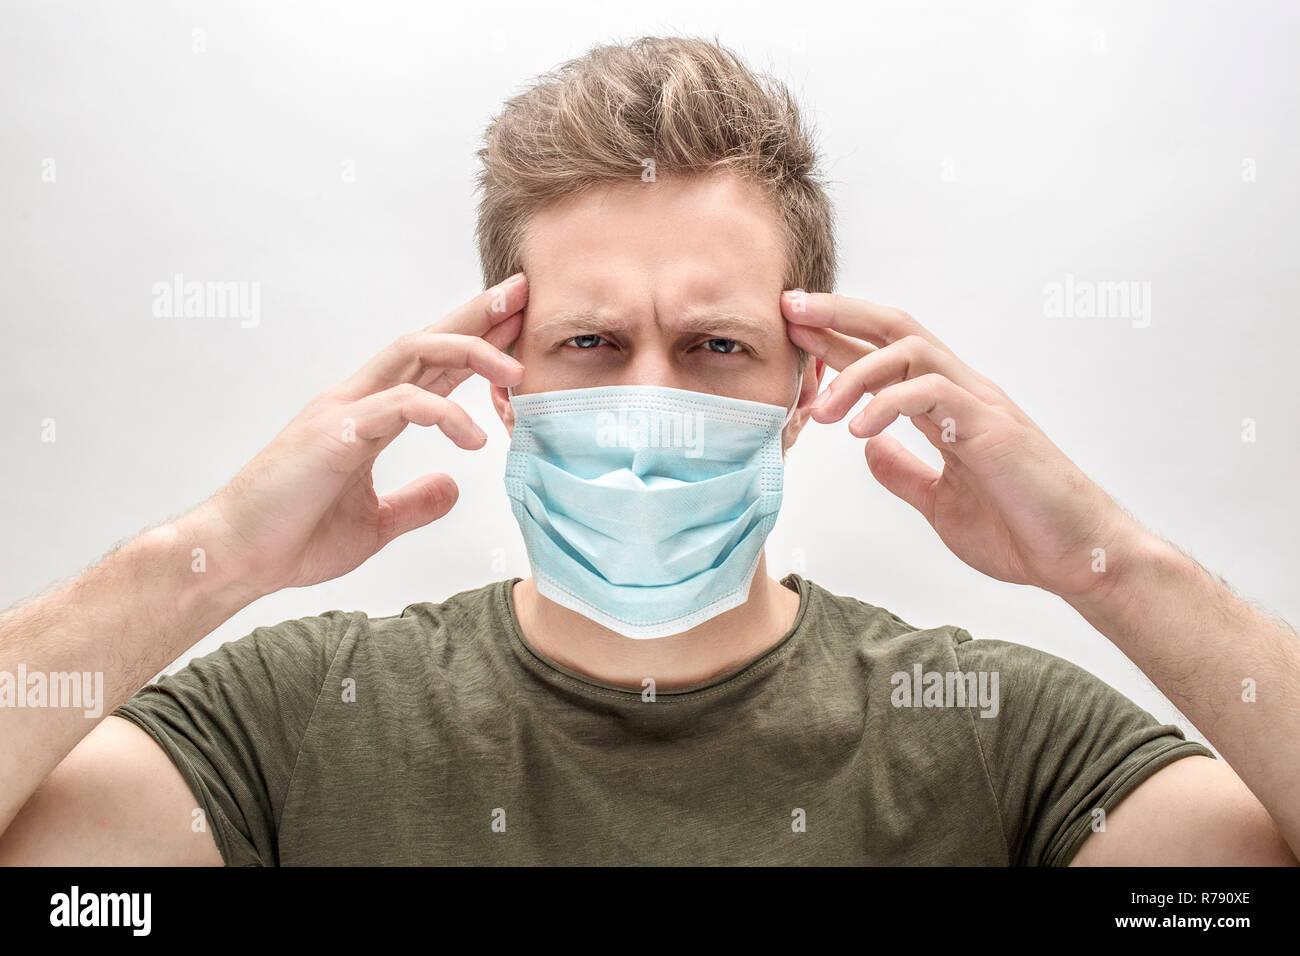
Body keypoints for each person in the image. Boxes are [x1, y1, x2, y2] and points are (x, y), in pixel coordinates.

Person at [1, 36, 1295, 866]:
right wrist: (205, 558)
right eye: (591, 343)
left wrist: (1111, 566)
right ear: (500, 380)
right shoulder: (297, 721)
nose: (648, 396)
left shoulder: (990, 733)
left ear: (807, 392)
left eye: (718, 347)